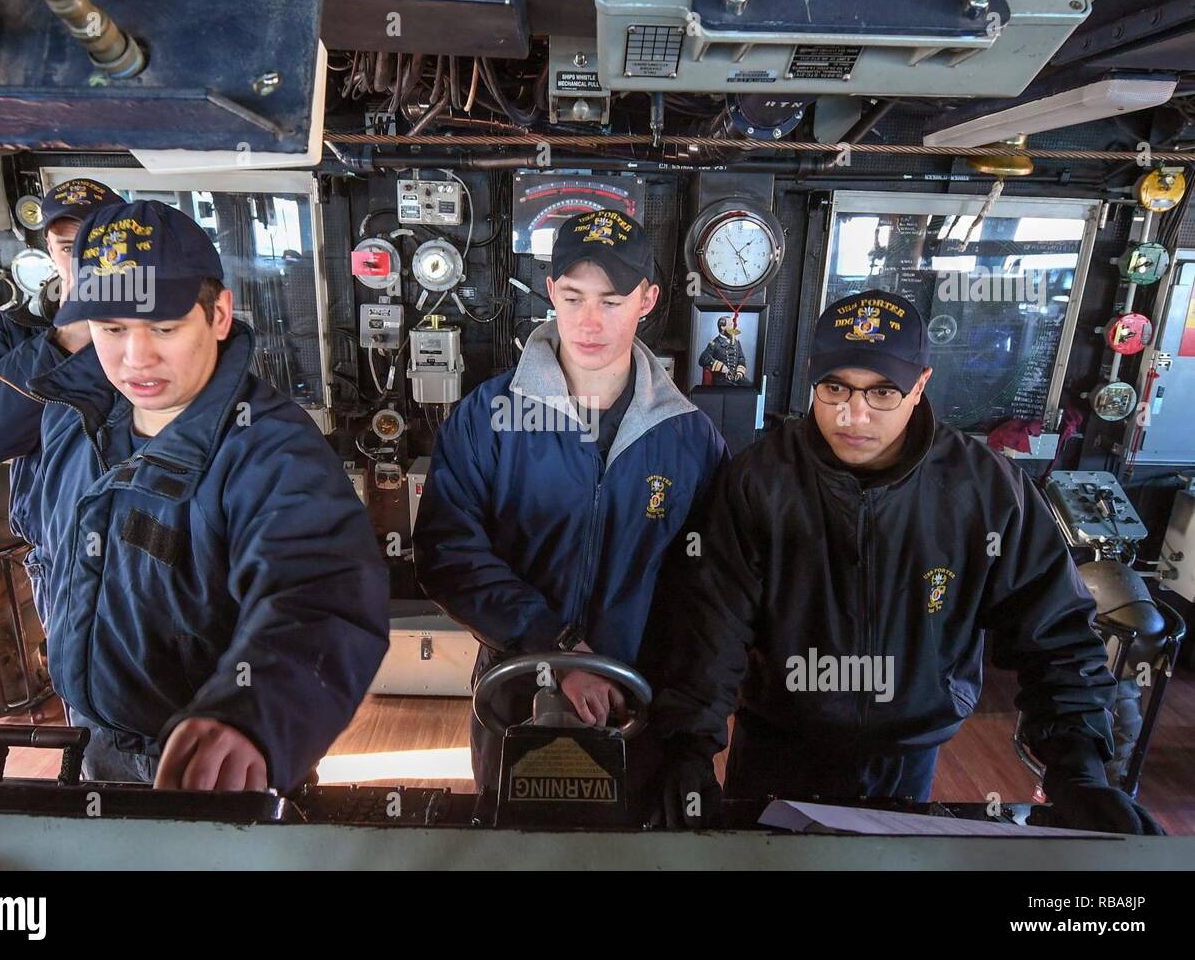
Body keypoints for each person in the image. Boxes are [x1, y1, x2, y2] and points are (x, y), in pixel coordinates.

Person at [645, 289, 1155, 834]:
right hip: (775, 747)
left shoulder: (984, 490)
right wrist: (687, 748)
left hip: (909, 757)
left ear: (920, 385)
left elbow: (1053, 631)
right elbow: (708, 627)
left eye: (882, 391)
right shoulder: (758, 482)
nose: (853, 413)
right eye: (834, 387)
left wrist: (1078, 769)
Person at [0, 199, 389, 791]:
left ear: (220, 315)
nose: (136, 358)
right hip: (93, 742)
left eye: (164, 327)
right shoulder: (67, 415)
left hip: (220, 767)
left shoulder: (270, 450)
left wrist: (251, 717)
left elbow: (318, 597)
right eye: (112, 329)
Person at [413, 209, 727, 794]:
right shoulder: (489, 418)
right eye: (575, 296)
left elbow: (712, 592)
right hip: (512, 690)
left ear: (648, 299)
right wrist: (559, 647)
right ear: (551, 290)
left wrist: (693, 732)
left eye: (612, 301)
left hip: (640, 701)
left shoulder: (689, 439)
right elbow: (447, 552)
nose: (589, 321)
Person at [0, 178, 126, 542]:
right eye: (69, 247)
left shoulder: (164, 324)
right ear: (50, 252)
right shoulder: (16, 331)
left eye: (97, 246)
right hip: (59, 545)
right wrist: (65, 339)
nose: (82, 261)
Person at [698, 315, 748, 385]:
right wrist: (722, 367)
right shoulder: (714, 343)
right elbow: (703, 358)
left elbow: (741, 358)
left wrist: (739, 373)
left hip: (736, 378)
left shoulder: (736, 342)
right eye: (730, 325)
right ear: (722, 327)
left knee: (750, 387)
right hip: (721, 379)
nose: (733, 328)